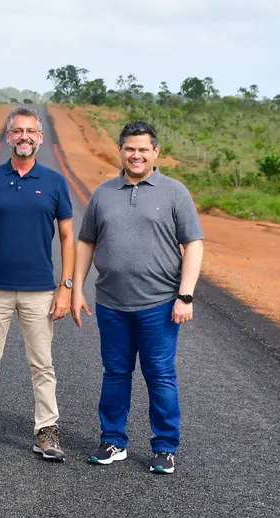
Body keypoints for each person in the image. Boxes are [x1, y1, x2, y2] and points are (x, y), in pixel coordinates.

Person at [72, 120, 204, 474]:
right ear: (120, 150)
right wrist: (75, 288)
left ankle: (165, 447)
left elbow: (193, 244)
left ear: (156, 152)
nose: (136, 155)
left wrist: (185, 296)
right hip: (111, 303)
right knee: (115, 373)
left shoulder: (174, 192)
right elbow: (86, 242)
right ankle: (113, 441)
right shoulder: (102, 193)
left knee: (160, 374)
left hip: (159, 304)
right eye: (130, 148)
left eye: (144, 149)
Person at [0, 106, 75, 462]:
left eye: (30, 132)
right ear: (8, 137)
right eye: (17, 131)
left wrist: (66, 285)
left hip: (40, 289)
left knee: (42, 364)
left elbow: (68, 236)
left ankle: (47, 431)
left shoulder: (54, 181)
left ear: (40, 137)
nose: (24, 137)